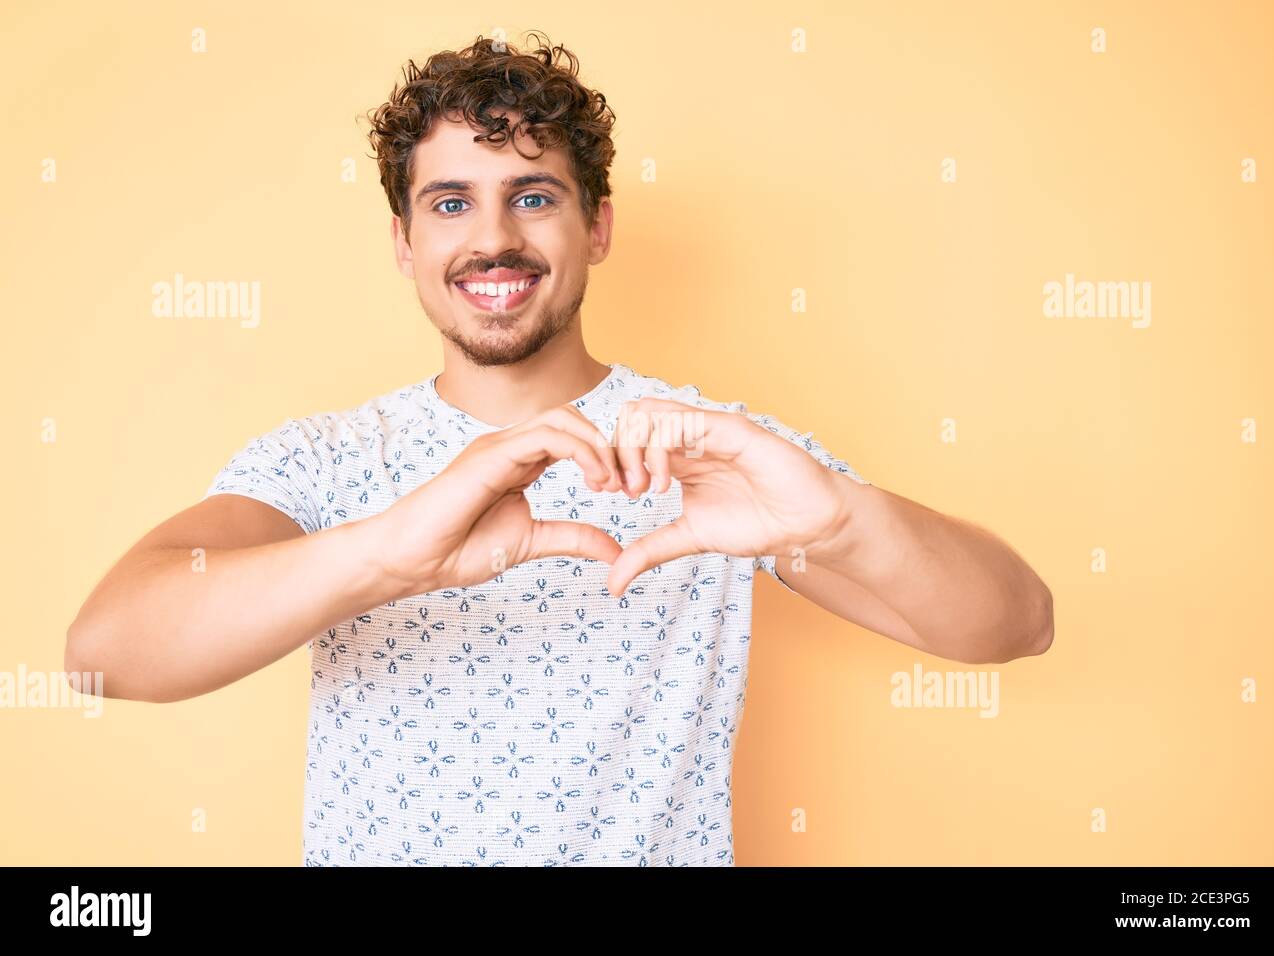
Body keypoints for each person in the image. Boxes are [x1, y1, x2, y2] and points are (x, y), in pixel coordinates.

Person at [65, 32, 1053, 867]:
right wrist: (387, 551)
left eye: (533, 196)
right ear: (403, 241)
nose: (493, 238)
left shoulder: (715, 455)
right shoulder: (324, 460)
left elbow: (1015, 622)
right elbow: (103, 655)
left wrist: (840, 518)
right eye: (450, 201)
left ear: (599, 226)